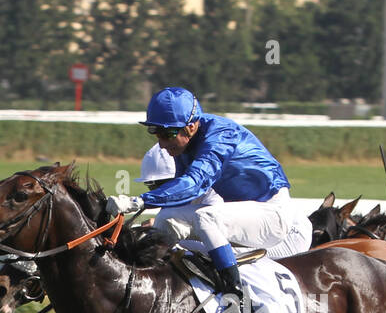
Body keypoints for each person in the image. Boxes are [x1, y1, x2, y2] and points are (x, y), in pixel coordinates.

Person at [105, 87, 311, 294]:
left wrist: (138, 201)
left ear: (192, 126)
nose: (162, 143)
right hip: (246, 211)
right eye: (155, 132)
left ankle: (234, 293)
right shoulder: (184, 144)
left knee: (206, 219)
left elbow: (194, 184)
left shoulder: (220, 137)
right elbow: (180, 198)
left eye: (168, 133)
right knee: (165, 219)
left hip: (272, 214)